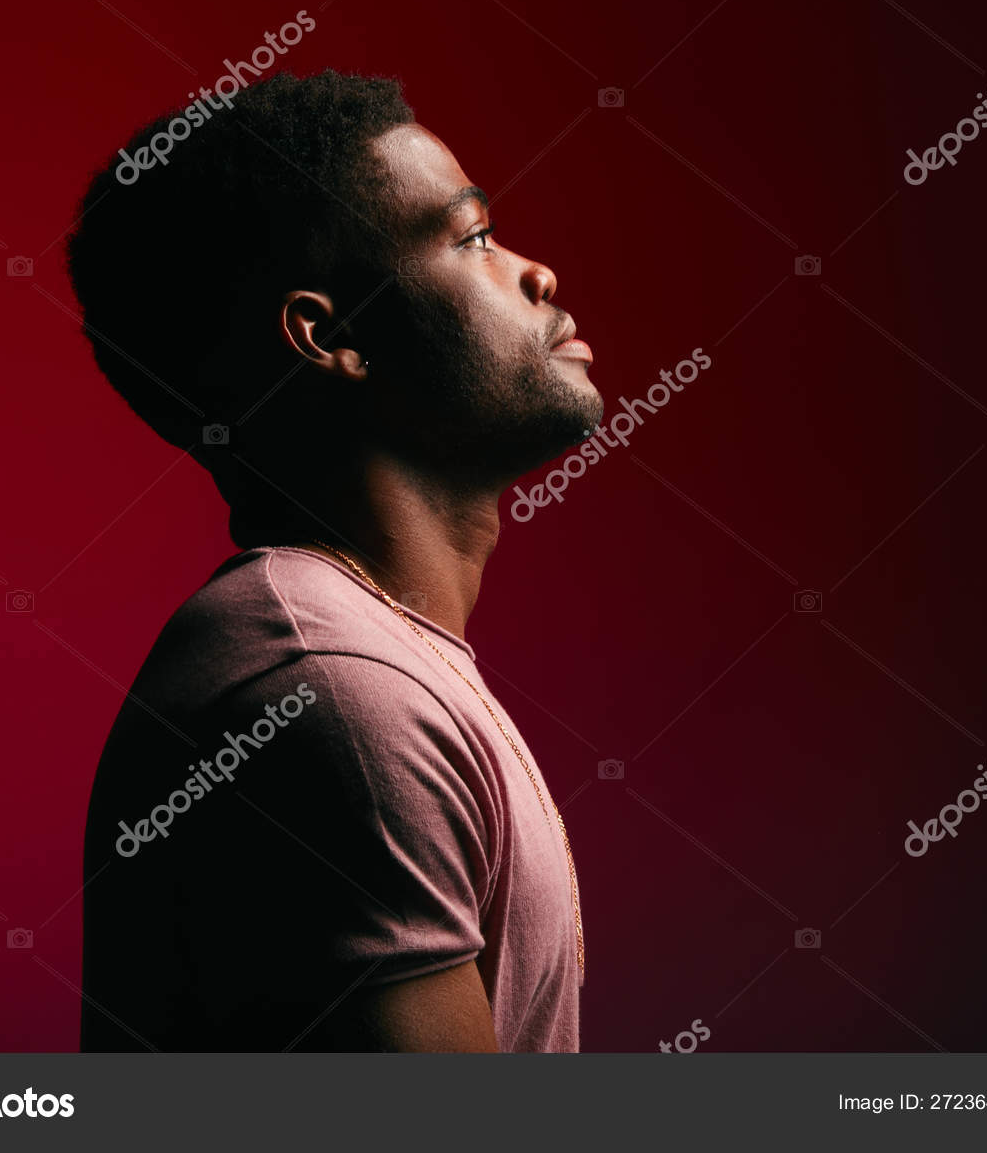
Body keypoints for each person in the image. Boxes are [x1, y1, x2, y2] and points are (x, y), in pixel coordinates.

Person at [67, 70, 601, 1052]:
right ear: (332, 336)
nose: (538, 273)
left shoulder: (364, 657)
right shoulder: (334, 695)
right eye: (473, 237)